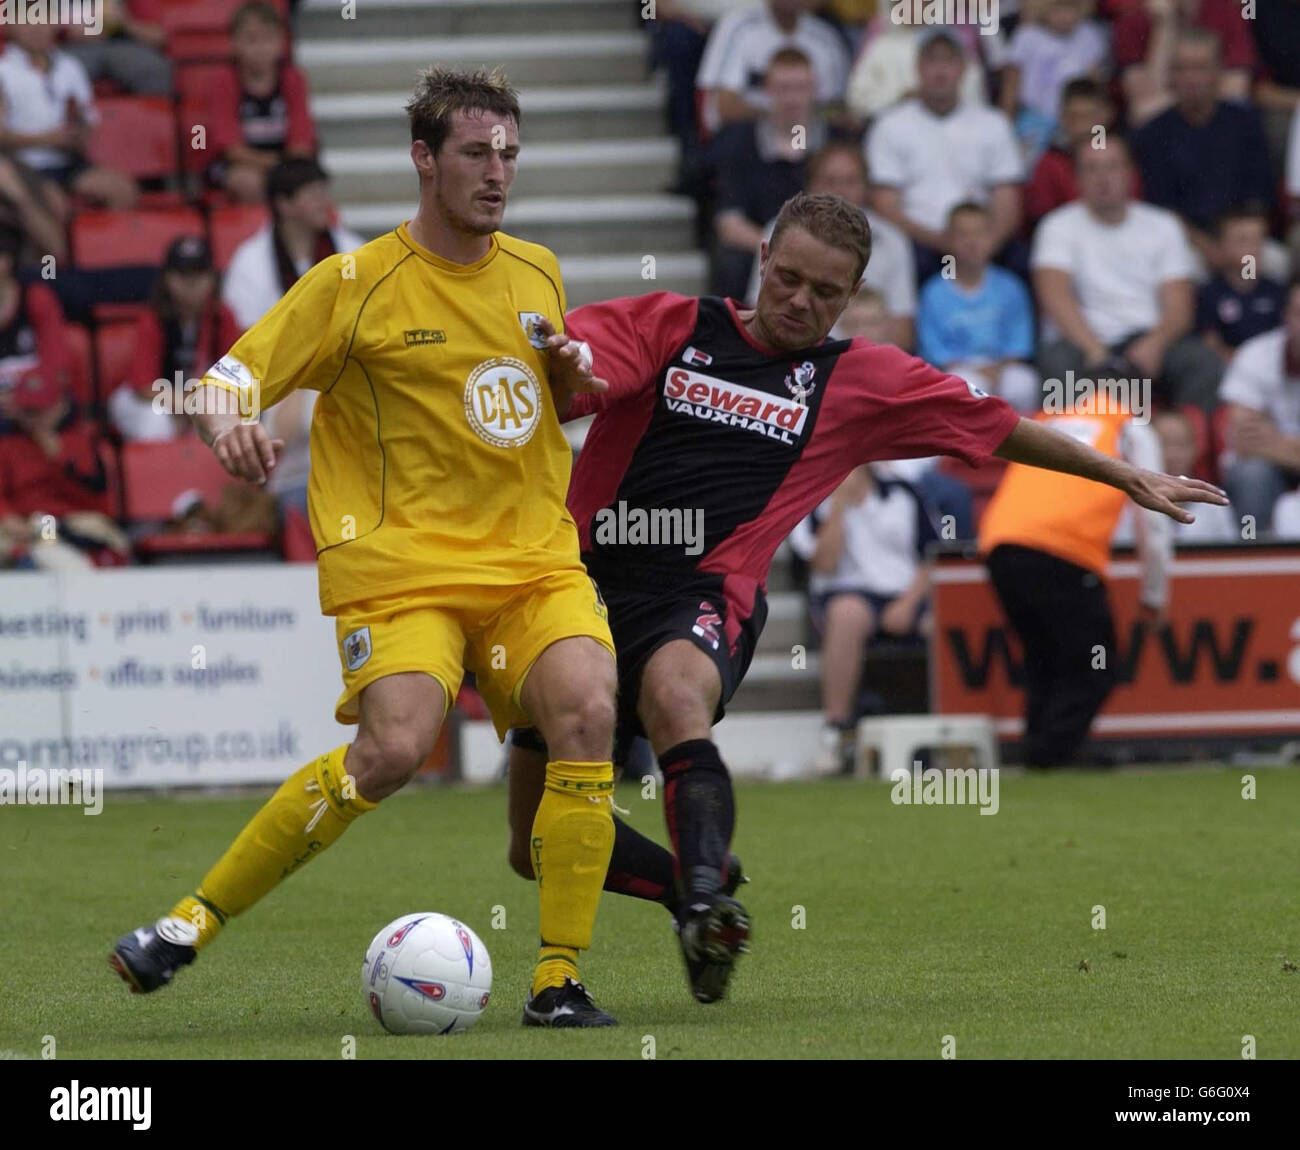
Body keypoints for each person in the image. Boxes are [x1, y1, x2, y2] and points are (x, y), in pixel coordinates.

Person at [504, 191, 1226, 1004]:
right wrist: (564, 372)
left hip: (704, 594)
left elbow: (993, 424)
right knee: (531, 843)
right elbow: (577, 372)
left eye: (826, 292)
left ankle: (704, 905)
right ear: (766, 256)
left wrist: (1121, 471)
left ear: (851, 298)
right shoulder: (675, 325)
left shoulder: (861, 379)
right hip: (578, 585)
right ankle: (692, 887)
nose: (802, 302)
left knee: (677, 695)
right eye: (791, 279)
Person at [110, 67, 624, 1029]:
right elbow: (222, 383)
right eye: (475, 153)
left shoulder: (538, 269)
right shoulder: (354, 280)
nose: (497, 173)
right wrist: (229, 428)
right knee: (392, 749)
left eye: (509, 154)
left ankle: (558, 980)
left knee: (590, 710)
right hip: (404, 571)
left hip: (531, 564)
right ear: (424, 159)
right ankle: (188, 924)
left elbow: (541, 409)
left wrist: (567, 380)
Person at [979, 407, 1174, 767]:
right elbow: (1155, 507)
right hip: (1063, 550)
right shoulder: (1129, 427)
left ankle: (1039, 751)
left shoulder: (1047, 418)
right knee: (1095, 665)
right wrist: (1154, 593)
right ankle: (1052, 755)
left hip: (1000, 544)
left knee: (1045, 657)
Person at [1032, 135, 1223, 411]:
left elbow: (1180, 306)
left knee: (1201, 361)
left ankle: (1186, 448)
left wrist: (1156, 343)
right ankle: (1065, 450)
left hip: (1147, 338)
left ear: (1130, 174)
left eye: (1112, 167)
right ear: (1077, 179)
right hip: (1083, 342)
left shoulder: (1163, 225)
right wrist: (1094, 350)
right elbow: (1055, 297)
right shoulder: (1057, 226)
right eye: (1092, 169)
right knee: (1057, 362)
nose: (1103, 178)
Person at [790, 463, 937, 776]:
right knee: (847, 615)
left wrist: (909, 603)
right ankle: (836, 729)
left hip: (903, 593)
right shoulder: (810, 495)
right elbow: (823, 565)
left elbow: (930, 556)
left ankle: (948, 734)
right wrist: (839, 506)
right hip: (847, 592)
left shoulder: (905, 490)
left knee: (943, 625)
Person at [867, 27, 1024, 284]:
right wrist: (945, 244)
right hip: (919, 245)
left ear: (964, 68)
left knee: (1022, 258)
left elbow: (1008, 203)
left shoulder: (993, 123)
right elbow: (885, 206)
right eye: (931, 60)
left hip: (984, 243)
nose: (940, 70)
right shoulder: (889, 125)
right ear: (917, 67)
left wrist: (982, 245)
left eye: (949, 60)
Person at [745, 141, 916, 350]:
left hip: (863, 360)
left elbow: (903, 332)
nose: (840, 190)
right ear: (810, 185)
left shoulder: (893, 240)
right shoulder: (779, 229)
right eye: (830, 181)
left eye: (850, 181)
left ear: (866, 187)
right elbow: (758, 310)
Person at [1131, 29, 1273, 264]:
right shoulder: (1152, 133)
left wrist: (1236, 243)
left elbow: (1258, 196)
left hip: (1243, 236)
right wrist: (1207, 248)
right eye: (1182, 69)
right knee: (1175, 267)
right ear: (1171, 76)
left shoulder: (1247, 123)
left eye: (1200, 68)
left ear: (1218, 72)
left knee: (1275, 262)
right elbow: (1161, 208)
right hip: (1183, 242)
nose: (1191, 78)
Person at [710, 47, 822, 300]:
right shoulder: (740, 141)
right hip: (762, 248)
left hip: (826, 245)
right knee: (732, 262)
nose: (792, 98)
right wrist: (782, 251)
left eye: (800, 88)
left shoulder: (833, 141)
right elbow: (729, 223)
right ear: (767, 90)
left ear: (814, 88)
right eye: (783, 88)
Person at [107, 237, 242, 443]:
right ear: (168, 279)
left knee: (240, 417)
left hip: (197, 399)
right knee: (156, 424)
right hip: (146, 399)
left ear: (212, 279)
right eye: (182, 275)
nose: (191, 284)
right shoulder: (154, 318)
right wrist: (190, 408)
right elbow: (144, 386)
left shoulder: (222, 317)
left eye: (199, 275)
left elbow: (235, 375)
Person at [0, 17, 137, 213]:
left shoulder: (70, 66)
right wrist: (49, 139)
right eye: (27, 21)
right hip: (25, 166)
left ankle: (101, 244)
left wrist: (79, 135)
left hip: (68, 162)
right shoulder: (3, 72)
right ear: (11, 27)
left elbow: (87, 119)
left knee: (121, 190)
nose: (37, 28)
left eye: (43, 20)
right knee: (55, 205)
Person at [917, 201, 1040, 412]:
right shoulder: (933, 292)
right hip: (958, 369)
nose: (972, 241)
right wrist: (979, 371)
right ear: (948, 240)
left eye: (980, 233)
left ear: (992, 238)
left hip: (1004, 367)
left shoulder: (1011, 287)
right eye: (963, 234)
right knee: (966, 385)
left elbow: (1019, 341)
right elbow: (934, 349)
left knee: (1023, 383)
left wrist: (998, 369)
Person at [221, 158, 364, 330]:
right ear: (284, 204)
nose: (324, 203)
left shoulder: (353, 250)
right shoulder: (250, 260)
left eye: (324, 193)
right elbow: (245, 328)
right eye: (313, 195)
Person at [205, 1, 318, 203]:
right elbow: (231, 149)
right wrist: (276, 165)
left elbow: (302, 140)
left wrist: (289, 167)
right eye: (251, 40)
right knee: (250, 183)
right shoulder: (223, 81)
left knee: (306, 185)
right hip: (236, 166)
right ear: (234, 43)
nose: (260, 48)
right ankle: (262, 234)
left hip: (285, 163)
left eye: (268, 39)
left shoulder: (293, 78)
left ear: (281, 42)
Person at [1218, 280, 1300, 533]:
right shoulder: (1255, 355)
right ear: (1285, 316)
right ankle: (1251, 557)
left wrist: (1274, 441)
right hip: (1266, 468)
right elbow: (1245, 442)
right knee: (1252, 474)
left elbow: (1261, 441)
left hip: (1274, 455)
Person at [695, 0, 849, 133]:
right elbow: (724, 108)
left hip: (803, 133)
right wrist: (782, 115)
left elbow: (836, 112)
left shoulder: (827, 39)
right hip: (749, 133)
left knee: (807, 143)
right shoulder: (739, 27)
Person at [999, 0, 1109, 164]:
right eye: (1058, 10)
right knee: (1030, 163)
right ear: (1043, 9)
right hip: (1035, 116)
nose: (1065, 17)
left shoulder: (1089, 35)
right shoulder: (1027, 37)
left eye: (1071, 9)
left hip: (1077, 117)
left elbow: (1095, 84)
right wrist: (1006, 125)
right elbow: (1011, 86)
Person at [1114, 0, 1255, 126]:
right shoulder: (1132, 19)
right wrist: (1164, 27)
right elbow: (1143, 110)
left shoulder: (1227, 13)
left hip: (1215, 121)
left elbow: (1235, 94)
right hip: (1162, 129)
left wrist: (1183, 102)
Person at [1024, 78, 1140, 227]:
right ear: (1062, 117)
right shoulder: (1049, 163)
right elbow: (1042, 219)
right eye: (1073, 118)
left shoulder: (1120, 158)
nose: (1081, 127)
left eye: (1088, 117)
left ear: (1106, 115)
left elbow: (1135, 208)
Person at [1196, 206, 1287, 363]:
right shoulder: (1209, 294)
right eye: (1243, 241)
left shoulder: (1277, 292)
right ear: (1220, 247)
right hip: (1229, 370)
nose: (1253, 248)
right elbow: (1211, 345)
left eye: (1259, 240)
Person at [61, 0, 173, 97]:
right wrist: (63, 27)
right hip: (73, 48)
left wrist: (124, 22)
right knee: (58, 71)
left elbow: (158, 36)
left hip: (123, 46)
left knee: (155, 70)